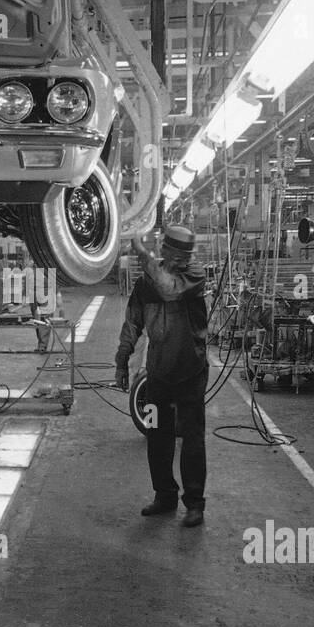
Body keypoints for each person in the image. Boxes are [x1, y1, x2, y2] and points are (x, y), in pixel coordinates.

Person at [115, 225, 208, 528]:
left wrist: (142, 254)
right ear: (166, 251)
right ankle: (164, 495)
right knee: (158, 436)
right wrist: (121, 359)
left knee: (192, 440)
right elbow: (133, 321)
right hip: (158, 378)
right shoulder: (146, 283)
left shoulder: (193, 275)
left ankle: (194, 503)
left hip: (190, 374)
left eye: (186, 255)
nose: (183, 260)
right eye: (178, 254)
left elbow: (169, 288)